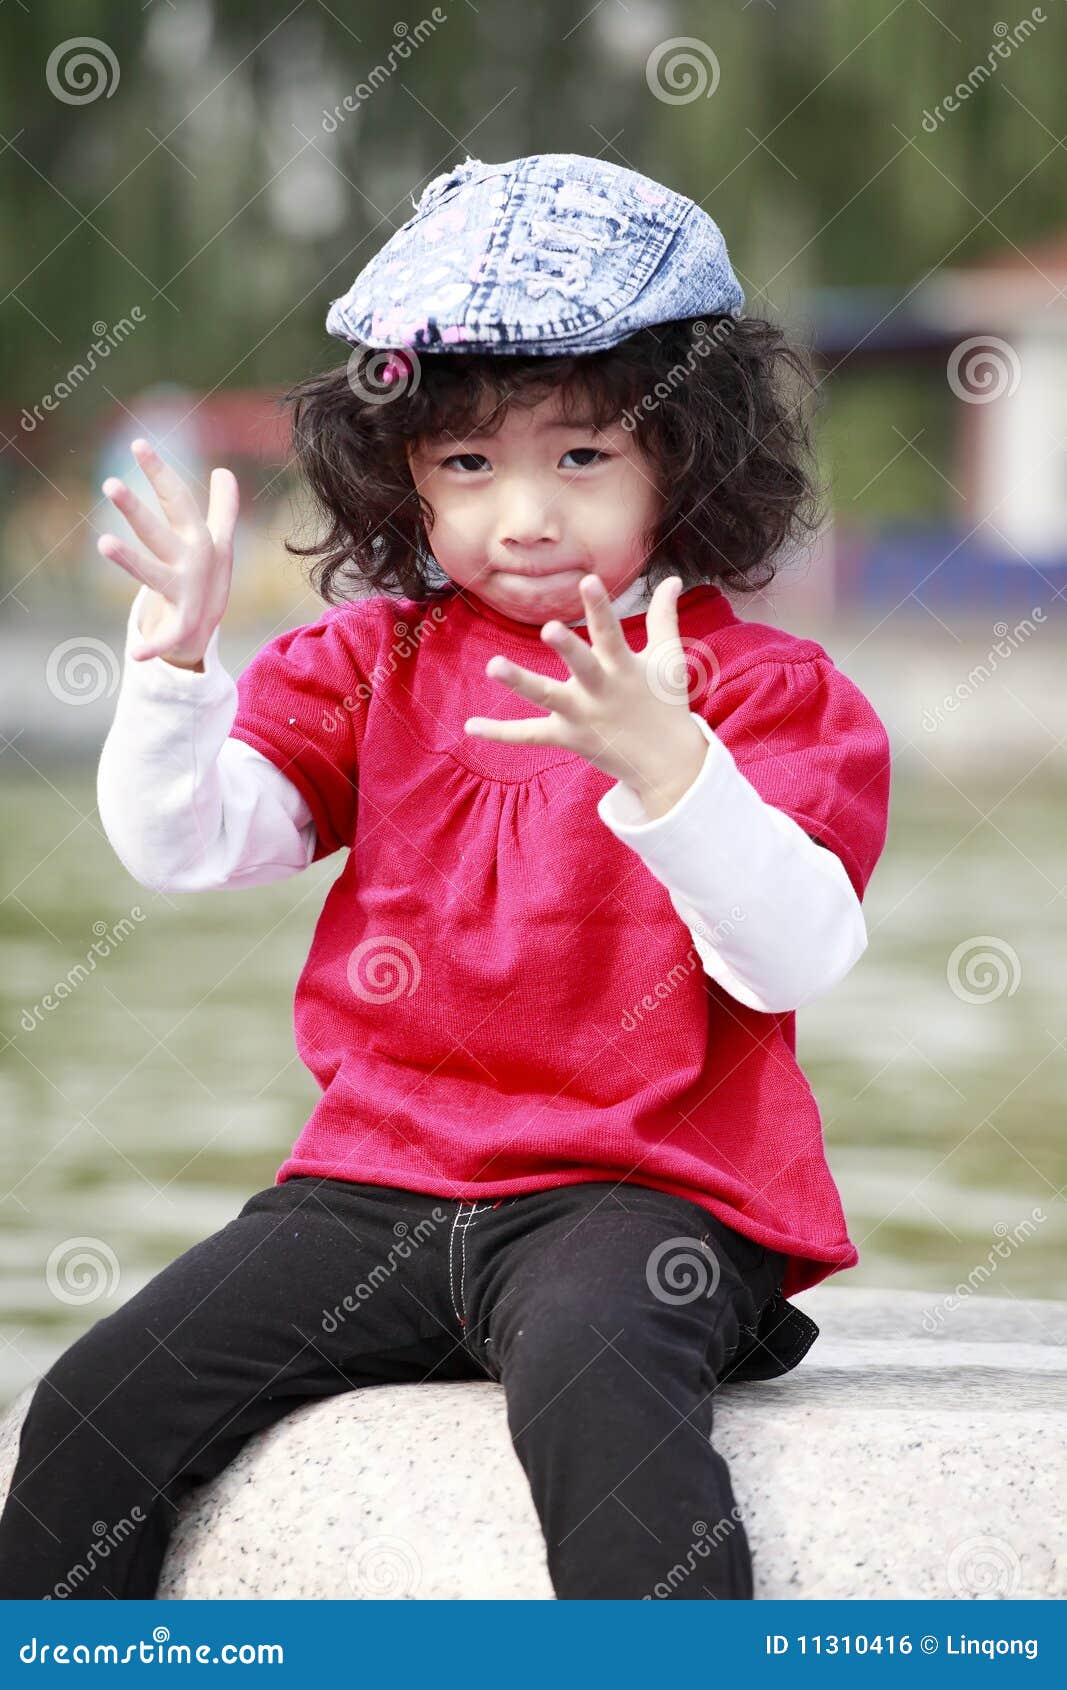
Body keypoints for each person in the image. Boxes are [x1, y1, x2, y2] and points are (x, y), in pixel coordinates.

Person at [0, 153, 891, 1601]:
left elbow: (793, 959)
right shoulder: (378, 664)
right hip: (375, 1184)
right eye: (469, 465)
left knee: (610, 1411)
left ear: (691, 451)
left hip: (644, 1193)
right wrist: (171, 671)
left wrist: (668, 767)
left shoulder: (759, 689)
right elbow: (190, 843)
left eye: (582, 456)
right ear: (401, 471)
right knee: (97, 1403)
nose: (523, 515)